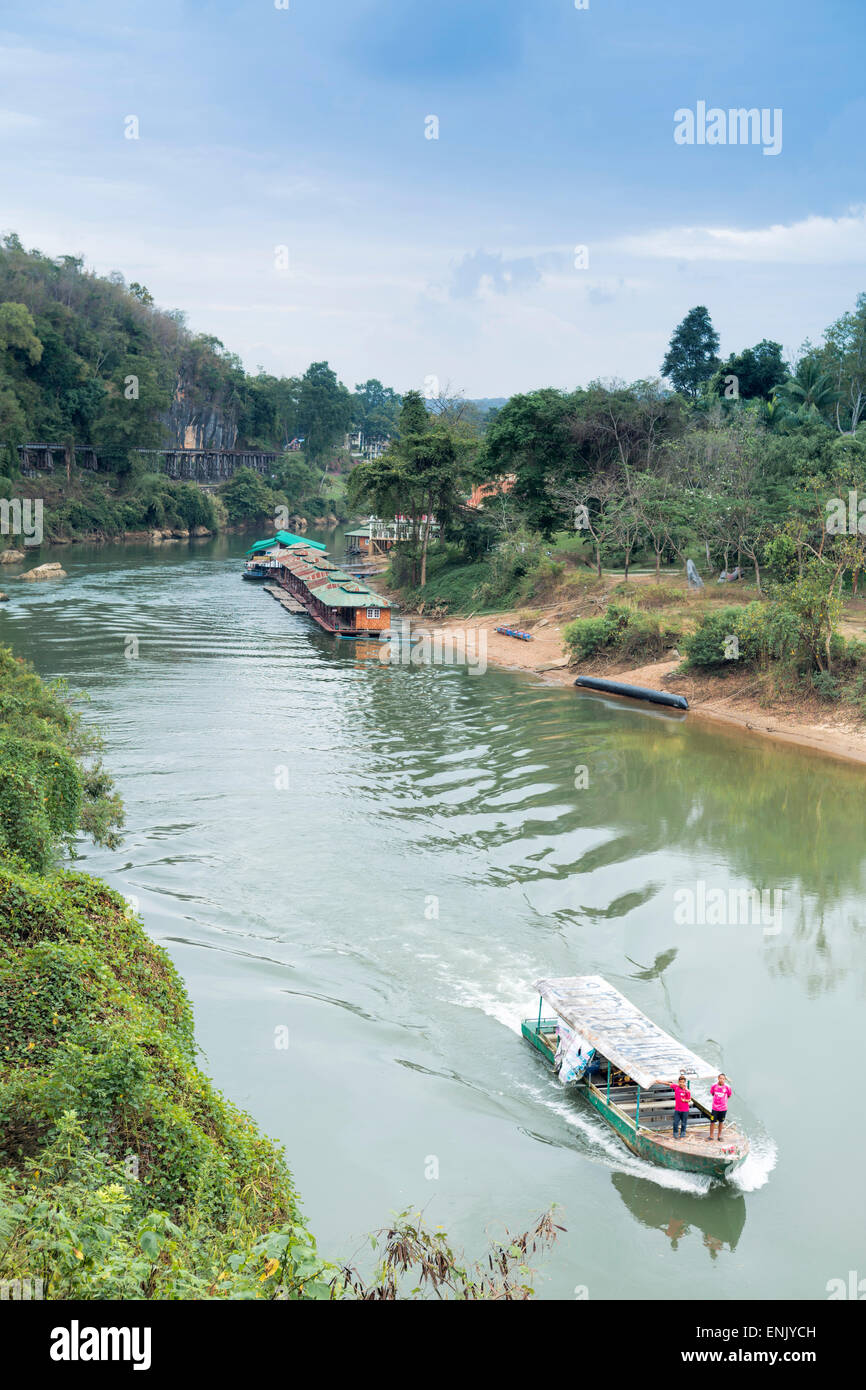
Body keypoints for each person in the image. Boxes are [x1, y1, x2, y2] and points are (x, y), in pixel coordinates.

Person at [653, 1074, 691, 1138]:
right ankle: (675, 1132)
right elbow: (668, 1084)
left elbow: (689, 1099)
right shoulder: (676, 1087)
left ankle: (683, 1132)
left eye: (683, 1082)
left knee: (683, 1123)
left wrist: (684, 1100)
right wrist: (660, 1082)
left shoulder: (687, 1091)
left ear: (685, 1082)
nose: (682, 1083)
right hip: (677, 1109)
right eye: (680, 1082)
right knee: (675, 1122)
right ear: (679, 1082)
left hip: (685, 1110)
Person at [709, 1074, 732, 1141]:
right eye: (720, 1078)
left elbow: (729, 1095)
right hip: (715, 1108)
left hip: (723, 1108)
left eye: (723, 1079)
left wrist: (723, 1101)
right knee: (712, 1122)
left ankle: (719, 1136)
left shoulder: (727, 1087)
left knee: (721, 1122)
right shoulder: (714, 1086)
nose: (721, 1080)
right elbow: (712, 1093)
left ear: (725, 1079)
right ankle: (711, 1136)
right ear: (718, 1078)